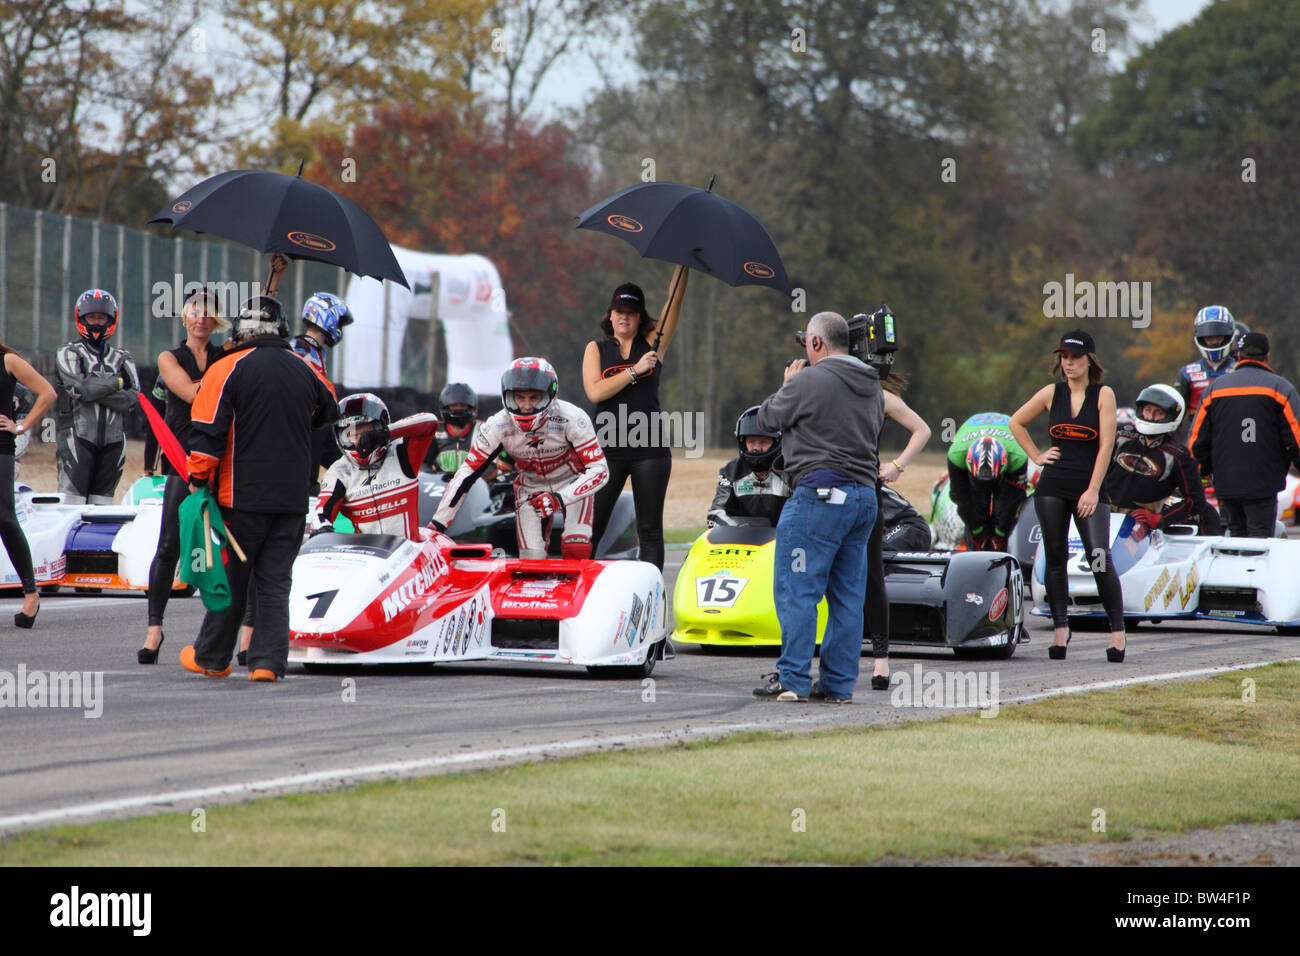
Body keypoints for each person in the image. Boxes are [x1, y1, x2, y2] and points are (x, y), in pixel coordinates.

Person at [180, 296, 338, 682]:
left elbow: (206, 435)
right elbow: (330, 408)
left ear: (240, 332)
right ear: (282, 329)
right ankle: (267, 663)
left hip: (240, 499)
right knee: (275, 582)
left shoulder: (226, 368)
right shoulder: (306, 370)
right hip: (291, 500)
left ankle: (212, 657)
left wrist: (196, 480)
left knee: (232, 578)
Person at [752, 311, 882, 703]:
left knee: (798, 591)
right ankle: (838, 685)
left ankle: (792, 679)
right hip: (864, 497)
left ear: (816, 343)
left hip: (818, 496)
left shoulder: (809, 379)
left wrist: (788, 385)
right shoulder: (872, 384)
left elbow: (767, 418)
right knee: (846, 598)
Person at [1010, 329, 1127, 662]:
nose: (1068, 364)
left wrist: (1092, 490)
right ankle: (1061, 628)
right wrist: (1036, 455)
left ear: (1089, 360)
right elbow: (1016, 422)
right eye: (1064, 357)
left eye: (1074, 358)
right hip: (1053, 484)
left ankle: (1117, 632)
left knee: (1098, 556)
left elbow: (1106, 446)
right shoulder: (1051, 393)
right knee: (1055, 556)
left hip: (1089, 484)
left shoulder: (1104, 395)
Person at [430, 357, 608, 559]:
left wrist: (560, 498)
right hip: (530, 487)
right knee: (532, 559)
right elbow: (467, 473)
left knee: (577, 548)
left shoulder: (573, 417)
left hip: (572, 482)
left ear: (551, 395)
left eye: (534, 398)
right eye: (519, 398)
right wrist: (438, 523)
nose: (526, 406)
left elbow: (600, 470)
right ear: (507, 396)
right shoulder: (496, 425)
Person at [137, 291, 227, 664]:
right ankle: (154, 629)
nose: (201, 318)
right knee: (168, 547)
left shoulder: (226, 357)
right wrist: (228, 384)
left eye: (208, 313)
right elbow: (192, 395)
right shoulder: (169, 358)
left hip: (223, 462)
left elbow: (258, 340)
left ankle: (236, 635)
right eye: (194, 311)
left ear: (217, 320)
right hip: (182, 461)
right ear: (184, 318)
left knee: (233, 549)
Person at [583, 283, 672, 570]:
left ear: (640, 317)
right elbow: (596, 392)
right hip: (607, 452)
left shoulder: (653, 347)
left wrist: (686, 265)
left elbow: (674, 302)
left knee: (649, 531)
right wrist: (635, 371)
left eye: (632, 313)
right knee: (589, 533)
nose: (624, 317)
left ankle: (653, 598)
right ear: (610, 315)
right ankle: (577, 598)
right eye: (619, 311)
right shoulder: (595, 349)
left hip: (650, 451)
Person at [862, 326, 931, 690]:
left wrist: (897, 466)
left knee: (872, 575)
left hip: (864, 493)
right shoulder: (828, 386)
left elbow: (922, 429)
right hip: (835, 491)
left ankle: (881, 660)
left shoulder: (877, 394)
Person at [1190, 332, 1300, 538]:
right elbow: (1296, 438)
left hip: (1225, 484)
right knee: (1259, 545)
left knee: (1233, 539)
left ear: (1238, 356)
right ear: (1267, 357)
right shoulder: (1281, 388)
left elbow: (1197, 441)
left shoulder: (1214, 389)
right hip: (1264, 485)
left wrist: (1200, 473)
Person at [54, 289, 140, 504]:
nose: (97, 323)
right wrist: (117, 382)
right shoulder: (68, 351)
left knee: (102, 508)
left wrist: (91, 390)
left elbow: (132, 398)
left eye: (102, 318)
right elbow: (81, 390)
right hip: (76, 439)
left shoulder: (123, 357)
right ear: (81, 318)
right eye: (91, 317)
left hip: (114, 444)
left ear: (111, 320)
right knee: (70, 507)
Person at [1104, 384, 1222, 540]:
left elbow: (1196, 500)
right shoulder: (1120, 435)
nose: (1150, 417)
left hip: (1139, 524)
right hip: (1103, 512)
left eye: (1157, 412)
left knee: (1209, 514)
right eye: (1147, 410)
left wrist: (1160, 518)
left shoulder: (1178, 455)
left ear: (1172, 416)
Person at [315, 393, 439, 538]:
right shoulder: (338, 471)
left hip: (407, 552)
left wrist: (386, 434)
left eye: (365, 432)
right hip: (367, 557)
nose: (357, 442)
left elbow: (430, 421)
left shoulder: (402, 451)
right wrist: (323, 530)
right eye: (349, 434)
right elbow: (320, 515)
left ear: (380, 426)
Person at [0, 340, 57, 627]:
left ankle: (31, 594)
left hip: (0, 447)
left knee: (5, 518)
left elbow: (47, 393)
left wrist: (20, 426)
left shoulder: (8, 361)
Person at [945, 413, 1030, 551]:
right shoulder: (956, 454)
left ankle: (1003, 542)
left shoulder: (1017, 456)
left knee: (1005, 505)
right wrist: (977, 532)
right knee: (974, 501)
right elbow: (960, 497)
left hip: (1009, 454)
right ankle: (977, 538)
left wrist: (1000, 534)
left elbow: (1012, 499)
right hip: (971, 449)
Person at [706, 406, 789, 528]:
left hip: (782, 543)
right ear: (743, 442)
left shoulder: (791, 472)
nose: (756, 448)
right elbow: (715, 513)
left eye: (763, 442)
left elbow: (803, 514)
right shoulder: (730, 472)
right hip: (741, 542)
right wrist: (737, 528)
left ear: (777, 442)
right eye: (751, 442)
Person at [1175, 305, 1237, 442]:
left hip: (1234, 437)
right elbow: (1175, 418)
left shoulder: (1240, 369)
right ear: (1201, 337)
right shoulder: (1187, 373)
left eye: (1218, 336)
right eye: (1209, 337)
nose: (1214, 342)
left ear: (1228, 335)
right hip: (1198, 440)